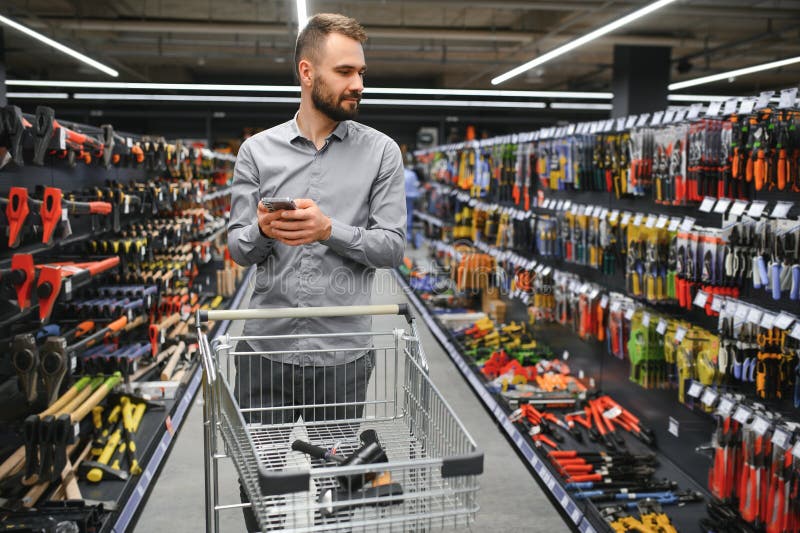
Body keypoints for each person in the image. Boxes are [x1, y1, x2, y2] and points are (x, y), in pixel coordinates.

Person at [226, 13, 406, 530]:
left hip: (342, 357)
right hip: (266, 353)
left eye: (361, 72)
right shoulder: (257, 151)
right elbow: (238, 248)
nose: (358, 84)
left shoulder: (381, 153)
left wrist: (330, 230)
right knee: (259, 483)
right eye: (345, 71)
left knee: (337, 489)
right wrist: (263, 229)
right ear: (307, 72)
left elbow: (392, 247)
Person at [403, 151, 420, 244]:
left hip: (400, 197)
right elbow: (416, 185)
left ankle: (401, 236)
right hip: (410, 197)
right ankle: (408, 236)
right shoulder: (412, 174)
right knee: (409, 215)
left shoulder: (398, 172)